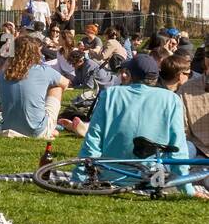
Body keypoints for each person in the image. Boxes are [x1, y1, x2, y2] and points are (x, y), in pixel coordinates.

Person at [78, 54, 198, 195]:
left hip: (111, 175)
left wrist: (79, 178)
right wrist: (188, 189)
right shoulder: (171, 100)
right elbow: (179, 151)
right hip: (152, 179)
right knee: (189, 147)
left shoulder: (110, 94)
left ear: (129, 74)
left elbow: (93, 141)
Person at [0, 36, 69, 138]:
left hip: (7, 127)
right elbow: (65, 83)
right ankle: (48, 128)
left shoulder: (1, 74)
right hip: (35, 131)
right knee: (56, 87)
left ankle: (45, 126)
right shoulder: (43, 70)